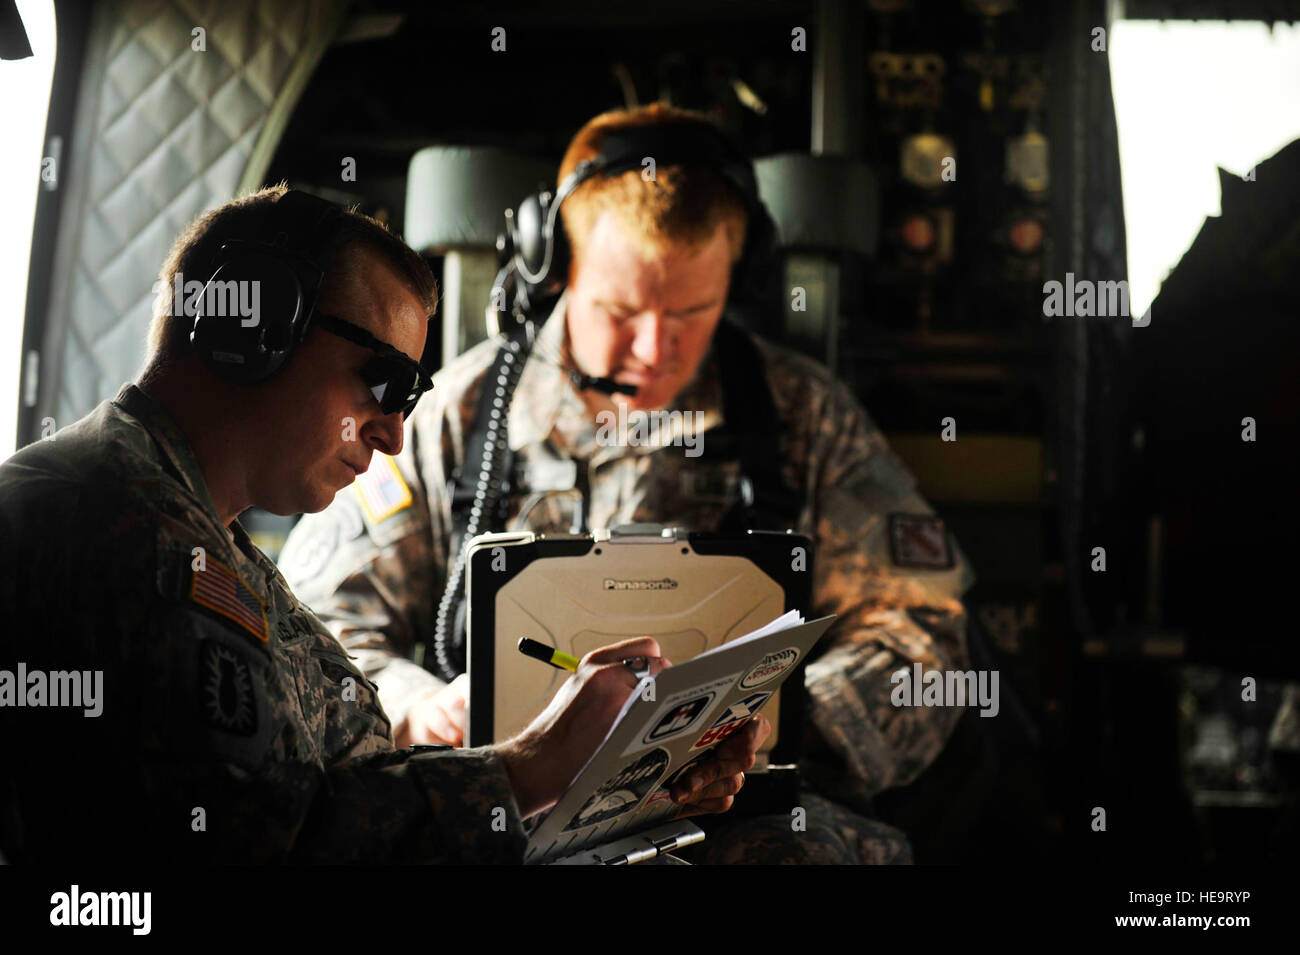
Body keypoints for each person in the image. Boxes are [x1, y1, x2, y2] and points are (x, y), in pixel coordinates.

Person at [280, 104, 975, 864]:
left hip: (742, 820)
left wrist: (784, 718)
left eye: (691, 311)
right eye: (620, 309)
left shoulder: (802, 415)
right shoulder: (457, 414)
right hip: (506, 804)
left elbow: (926, 634)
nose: (653, 347)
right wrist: (422, 711)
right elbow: (315, 625)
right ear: (558, 269)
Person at [0, 185, 764, 864]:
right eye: (384, 381)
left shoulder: (204, 534)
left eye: (413, 394)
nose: (395, 431)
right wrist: (527, 766)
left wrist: (617, 780)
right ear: (253, 324)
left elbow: (340, 785)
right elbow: (272, 841)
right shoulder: (119, 532)